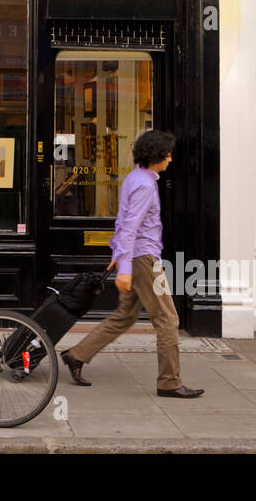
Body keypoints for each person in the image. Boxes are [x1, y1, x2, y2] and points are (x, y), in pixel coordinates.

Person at [60, 129, 205, 399]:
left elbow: (122, 220)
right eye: (168, 154)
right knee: (169, 320)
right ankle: (169, 382)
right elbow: (129, 226)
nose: (171, 159)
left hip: (135, 257)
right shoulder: (144, 185)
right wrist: (124, 267)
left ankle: (76, 355)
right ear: (157, 156)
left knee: (124, 317)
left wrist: (118, 254)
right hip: (144, 260)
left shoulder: (135, 178)